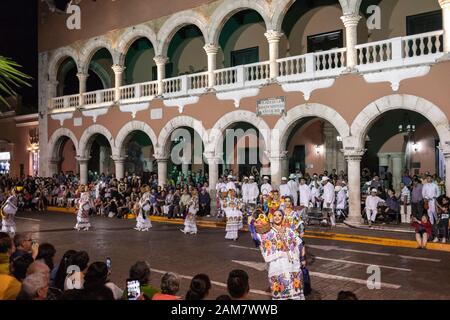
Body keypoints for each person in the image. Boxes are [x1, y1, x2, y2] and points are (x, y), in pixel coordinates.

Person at [251, 211, 305, 300]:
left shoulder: (289, 230)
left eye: (279, 215)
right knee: (280, 292)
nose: (277, 217)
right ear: (272, 217)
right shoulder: (267, 232)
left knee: (294, 290)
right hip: (277, 265)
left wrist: (302, 258)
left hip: (291, 265)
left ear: (283, 217)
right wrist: (253, 223)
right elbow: (256, 238)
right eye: (275, 215)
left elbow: (300, 243)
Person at [0, 233, 22, 300]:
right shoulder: (7, 266)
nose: (15, 247)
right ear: (8, 250)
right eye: (13, 246)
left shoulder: (5, 261)